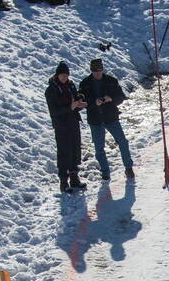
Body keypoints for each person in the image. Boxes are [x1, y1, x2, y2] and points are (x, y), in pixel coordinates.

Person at [78, 58, 135, 182]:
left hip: (111, 117)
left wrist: (111, 99)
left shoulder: (111, 81)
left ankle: (128, 167)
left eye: (99, 71)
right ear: (91, 71)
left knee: (123, 142)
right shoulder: (85, 83)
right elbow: (82, 101)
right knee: (99, 148)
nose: (97, 73)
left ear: (102, 70)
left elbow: (121, 97)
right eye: (95, 71)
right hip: (95, 119)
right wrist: (94, 102)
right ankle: (105, 173)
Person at [45, 62, 85, 192]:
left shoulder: (71, 85)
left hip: (73, 122)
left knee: (75, 150)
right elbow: (54, 111)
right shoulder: (51, 90)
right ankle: (63, 182)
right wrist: (70, 107)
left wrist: (79, 102)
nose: (64, 77)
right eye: (62, 75)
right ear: (57, 75)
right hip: (61, 125)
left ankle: (74, 178)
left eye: (66, 75)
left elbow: (75, 98)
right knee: (64, 152)